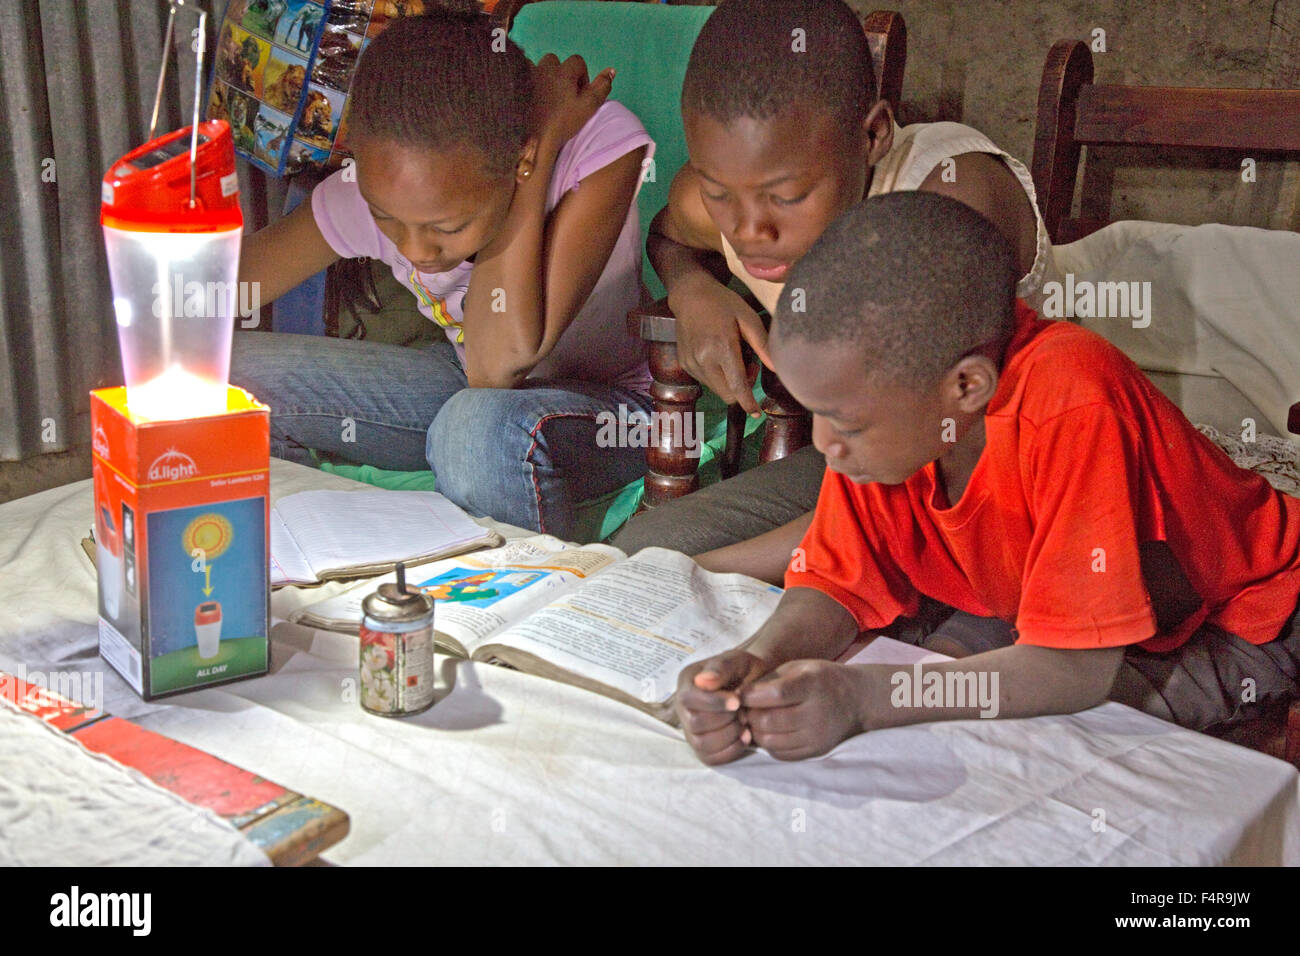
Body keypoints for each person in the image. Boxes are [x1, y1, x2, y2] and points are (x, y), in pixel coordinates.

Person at [674, 191, 1300, 765]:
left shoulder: (1072, 402)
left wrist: (862, 698)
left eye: (844, 423)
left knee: (1039, 753)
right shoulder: (885, 406)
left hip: (1229, 625)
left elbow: (1073, 673)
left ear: (967, 387)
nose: (821, 445)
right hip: (1028, 599)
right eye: (815, 413)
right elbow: (836, 582)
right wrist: (759, 659)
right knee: (909, 689)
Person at [609, 0, 1057, 580]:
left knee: (693, 573)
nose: (749, 231)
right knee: (647, 544)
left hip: (981, 469)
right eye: (719, 191)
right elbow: (670, 234)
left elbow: (914, 485)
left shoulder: (945, 201)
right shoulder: (731, 192)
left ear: (871, 136)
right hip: (849, 457)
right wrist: (694, 289)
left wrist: (709, 569)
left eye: (788, 196)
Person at [230, 8, 654, 540]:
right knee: (224, 374)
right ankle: (302, 550)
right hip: (462, 387)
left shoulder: (595, 148)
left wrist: (538, 158)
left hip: (611, 414)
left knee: (475, 426)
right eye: (386, 219)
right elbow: (226, 288)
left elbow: (497, 367)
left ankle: (532, 600)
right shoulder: (382, 186)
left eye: (447, 227)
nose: (416, 250)